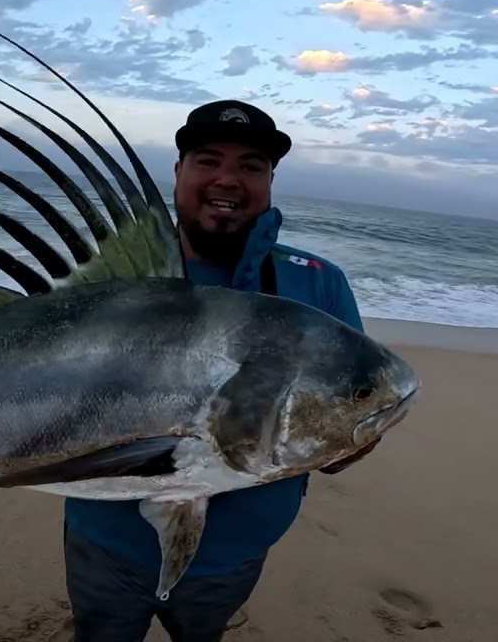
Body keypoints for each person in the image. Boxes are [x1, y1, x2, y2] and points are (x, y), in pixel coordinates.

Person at [61, 100, 379, 642]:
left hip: (235, 552)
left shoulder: (319, 282)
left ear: (271, 180)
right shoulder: (113, 279)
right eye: (208, 160)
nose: (227, 179)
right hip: (106, 540)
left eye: (251, 166)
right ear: (179, 171)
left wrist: (348, 441)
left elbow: (356, 401)